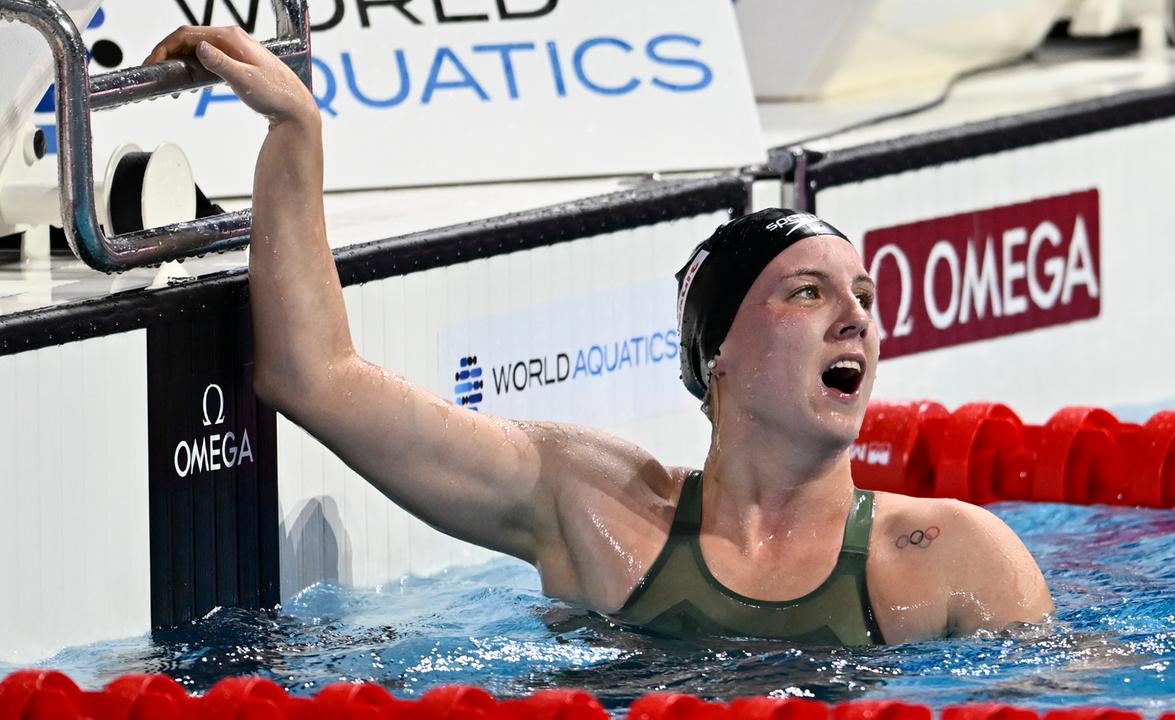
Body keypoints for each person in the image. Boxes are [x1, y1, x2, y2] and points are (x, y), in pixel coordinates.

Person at [144, 26, 1053, 646]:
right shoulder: (593, 506)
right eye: (806, 293)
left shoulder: (951, 559)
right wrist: (296, 133)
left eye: (862, 295)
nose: (854, 316)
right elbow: (315, 377)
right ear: (718, 353)